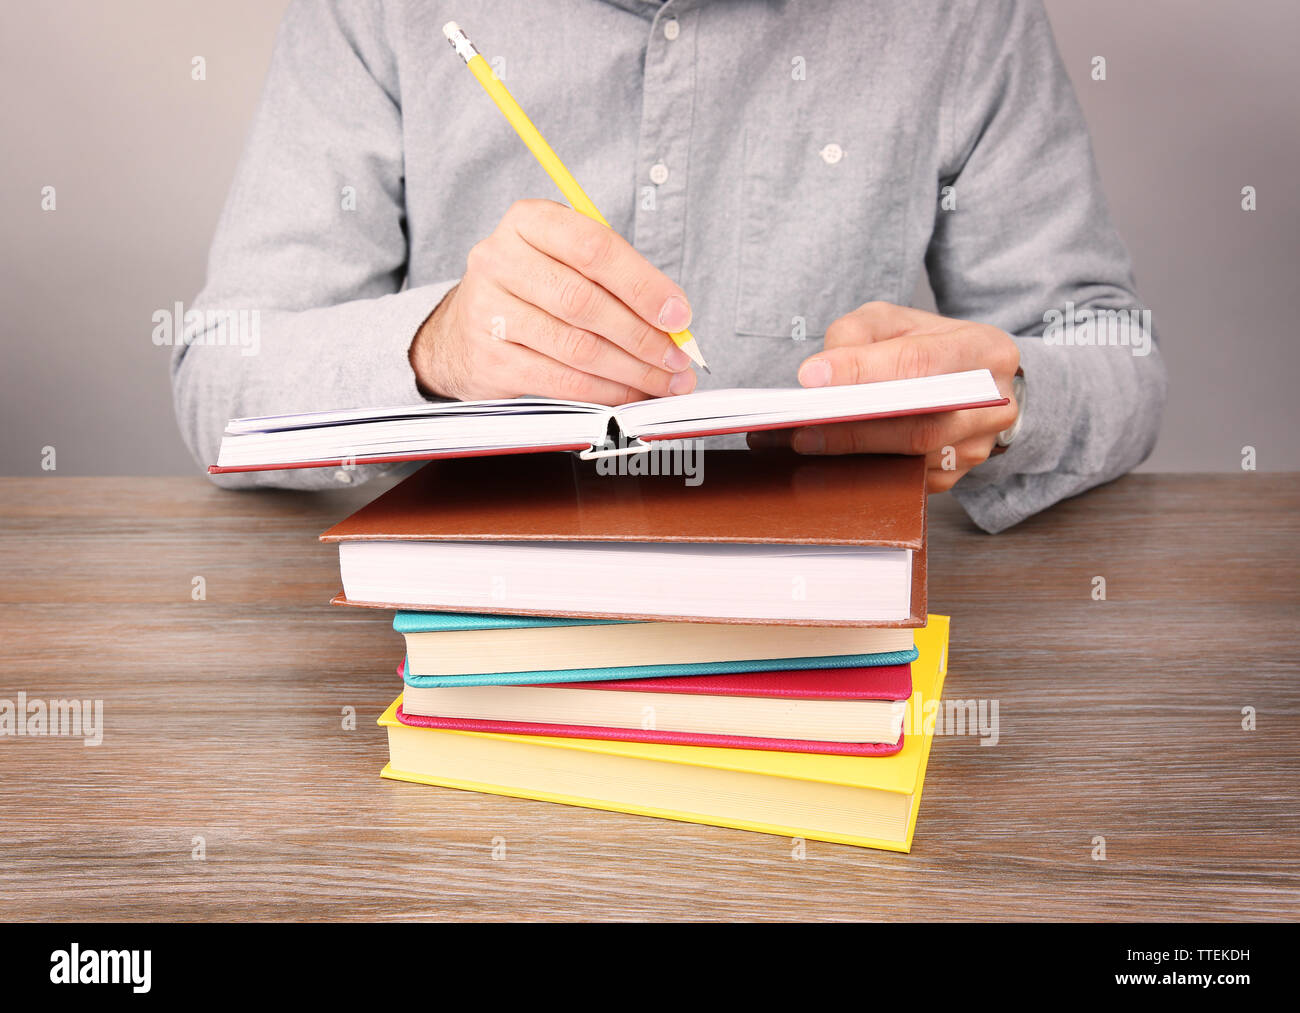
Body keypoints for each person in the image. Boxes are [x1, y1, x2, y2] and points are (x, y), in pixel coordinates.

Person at [172, 0, 1166, 533]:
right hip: (449, 634)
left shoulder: (961, 18)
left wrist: (1003, 398)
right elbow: (216, 381)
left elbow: (1109, 350)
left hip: (829, 636)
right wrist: (436, 350)